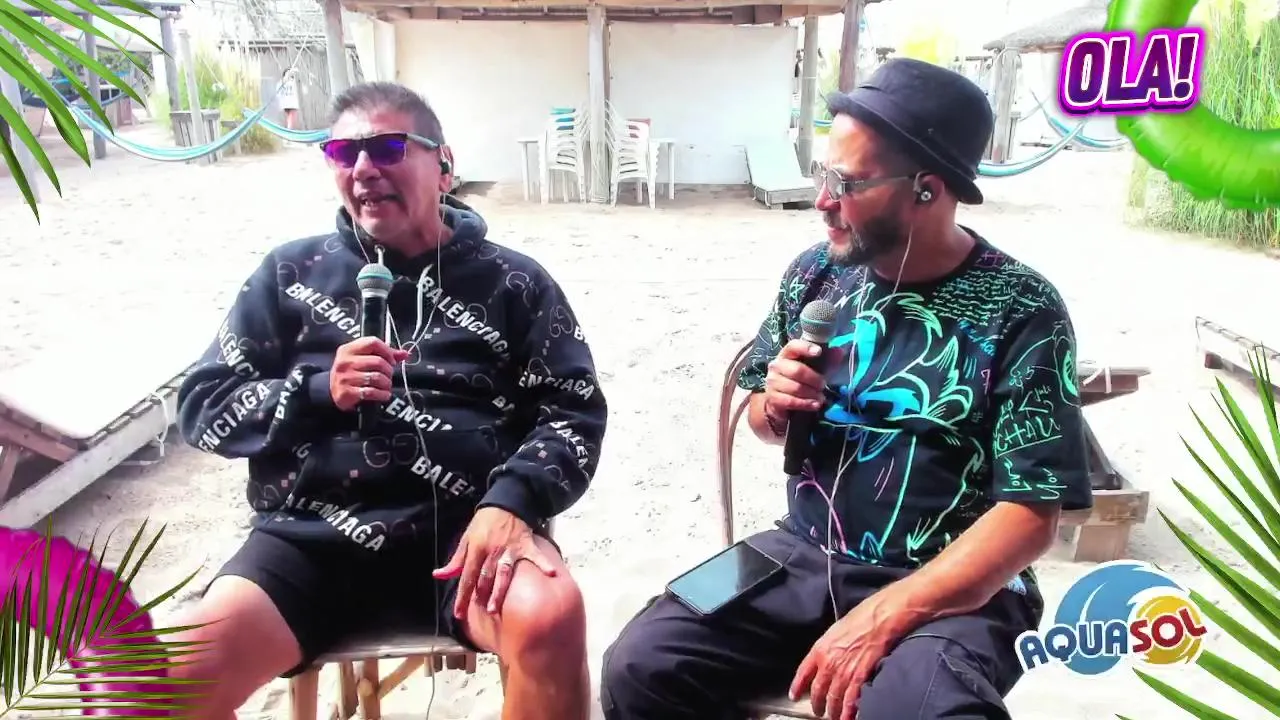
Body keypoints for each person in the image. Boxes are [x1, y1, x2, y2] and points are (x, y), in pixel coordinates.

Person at [601, 58, 1091, 720]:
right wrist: (774, 404)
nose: (822, 200)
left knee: (920, 712)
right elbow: (761, 420)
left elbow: (1032, 516)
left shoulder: (1022, 307)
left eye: (848, 183)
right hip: (800, 549)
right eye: (822, 174)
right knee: (641, 663)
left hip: (956, 585)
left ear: (926, 190)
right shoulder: (814, 275)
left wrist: (887, 613)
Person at [172, 81, 607, 720]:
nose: (363, 168)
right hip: (309, 539)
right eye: (342, 152)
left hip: (466, 535)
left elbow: (572, 410)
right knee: (148, 687)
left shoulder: (514, 282)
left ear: (444, 166)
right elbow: (203, 405)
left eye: (387, 147)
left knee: (552, 615)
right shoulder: (289, 274)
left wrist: (512, 502)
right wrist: (314, 392)